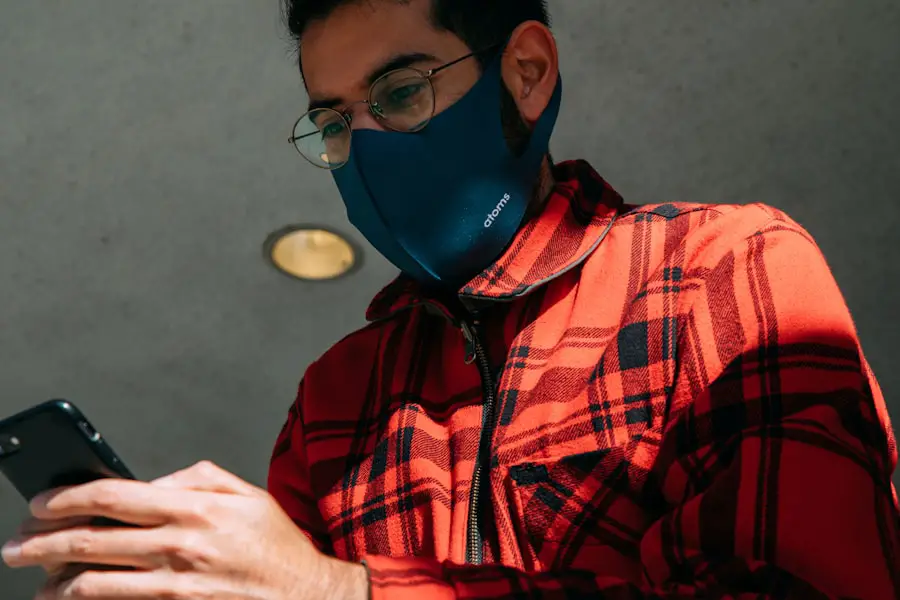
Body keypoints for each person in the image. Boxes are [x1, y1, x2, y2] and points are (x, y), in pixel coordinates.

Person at [3, 0, 899, 598]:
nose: (367, 148)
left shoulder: (715, 268)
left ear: (527, 73)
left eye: (400, 92)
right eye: (333, 123)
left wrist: (340, 591)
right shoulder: (334, 399)